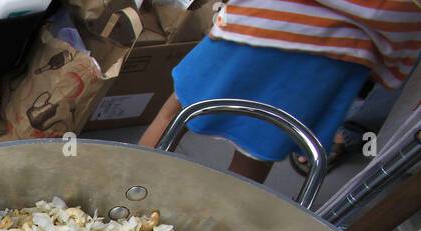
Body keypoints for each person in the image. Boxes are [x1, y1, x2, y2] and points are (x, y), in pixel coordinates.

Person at [140, 0, 421, 185]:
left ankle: (131, 181)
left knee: (177, 110)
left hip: (266, 19)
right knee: (258, 151)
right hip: (340, 50)